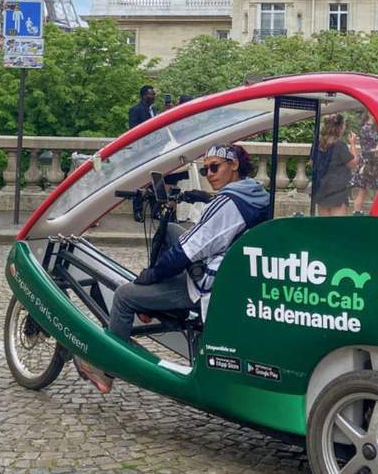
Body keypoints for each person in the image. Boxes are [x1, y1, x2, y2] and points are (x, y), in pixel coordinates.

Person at [74, 144, 269, 394]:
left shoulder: (229, 202)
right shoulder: (252, 191)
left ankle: (106, 370)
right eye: (205, 168)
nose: (209, 173)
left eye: (214, 167)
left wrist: (151, 276)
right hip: (234, 273)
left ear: (234, 165)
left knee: (124, 295)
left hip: (209, 287)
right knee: (171, 232)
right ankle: (150, 302)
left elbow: (187, 251)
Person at [311, 113, 360, 216]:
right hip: (337, 190)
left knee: (324, 227)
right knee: (337, 227)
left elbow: (312, 163)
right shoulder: (339, 146)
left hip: (321, 189)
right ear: (340, 128)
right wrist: (352, 143)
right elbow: (353, 164)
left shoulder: (317, 144)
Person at [126, 85, 158, 223]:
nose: (154, 96)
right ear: (144, 96)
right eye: (151, 94)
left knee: (154, 181)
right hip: (141, 151)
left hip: (155, 150)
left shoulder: (155, 110)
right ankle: (138, 211)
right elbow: (133, 131)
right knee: (139, 181)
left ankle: (155, 211)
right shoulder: (135, 110)